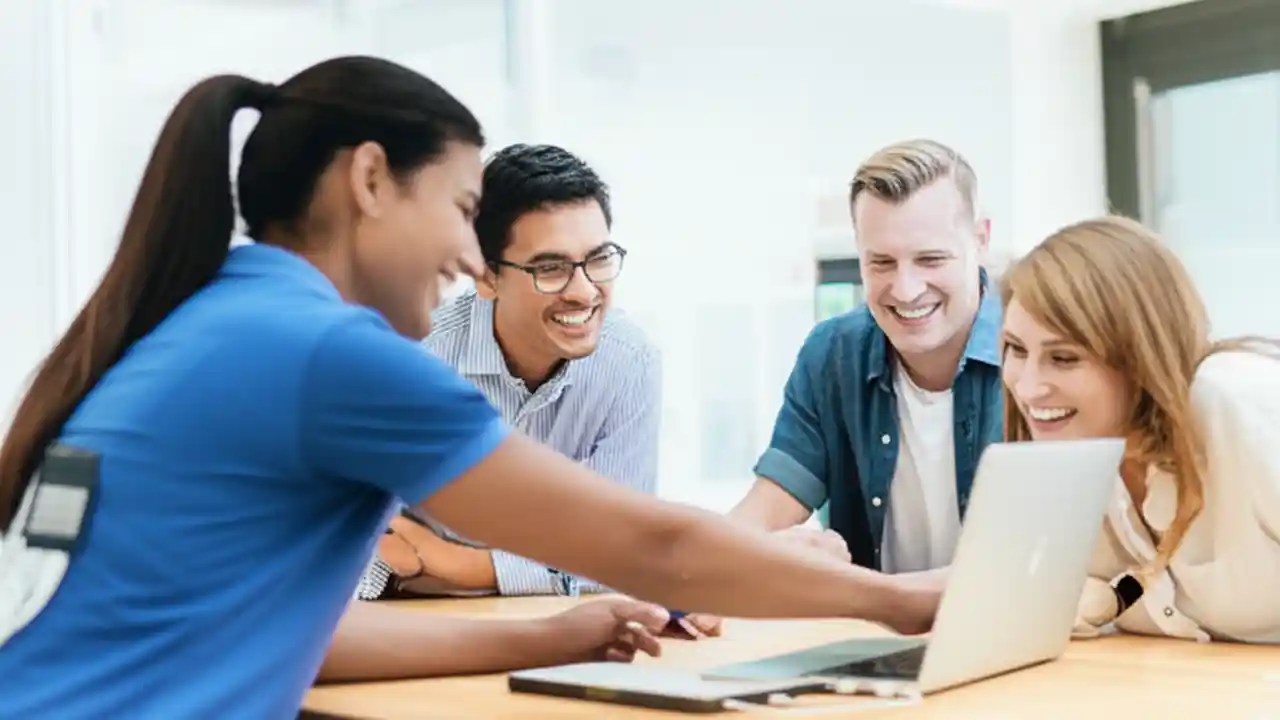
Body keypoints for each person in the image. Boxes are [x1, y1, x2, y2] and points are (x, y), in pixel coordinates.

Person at [0, 57, 943, 717]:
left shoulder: (213, 320)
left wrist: (549, 636)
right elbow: (648, 541)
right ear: (370, 181)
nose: (466, 254)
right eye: (460, 209)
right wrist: (897, 603)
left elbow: (303, 641)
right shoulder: (328, 352)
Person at [356, 143, 661, 601]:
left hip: (560, 630)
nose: (584, 291)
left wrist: (460, 564)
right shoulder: (413, 360)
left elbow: (624, 553)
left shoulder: (629, 363)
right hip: (412, 624)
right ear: (484, 274)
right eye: (551, 268)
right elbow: (358, 551)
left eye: (598, 259)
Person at [1000, 215, 1280, 644]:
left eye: (1065, 358)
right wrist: (1108, 600)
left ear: (1139, 354)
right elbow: (1159, 590)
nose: (1028, 386)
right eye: (1016, 350)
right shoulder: (1083, 453)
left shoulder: (1235, 400)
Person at [729, 138, 1003, 567]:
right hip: (878, 630)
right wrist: (713, 569)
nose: (907, 289)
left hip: (1012, 628)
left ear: (981, 238)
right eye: (881, 263)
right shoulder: (833, 356)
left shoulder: (1036, 354)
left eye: (930, 259)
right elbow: (765, 511)